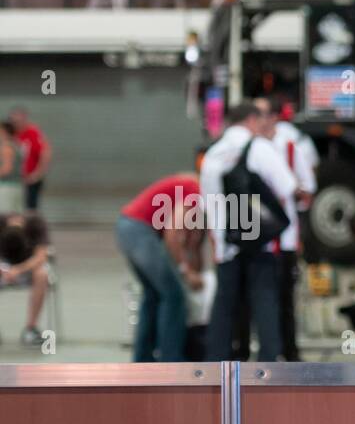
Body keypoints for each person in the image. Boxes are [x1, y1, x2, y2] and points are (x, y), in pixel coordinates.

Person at [201, 101, 298, 362]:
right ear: (252, 120)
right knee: (264, 300)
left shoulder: (212, 154)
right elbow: (288, 187)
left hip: (226, 241)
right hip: (259, 240)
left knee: (225, 306)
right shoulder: (259, 148)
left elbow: (205, 203)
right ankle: (268, 363)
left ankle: (216, 364)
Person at [116, 173, 204, 362]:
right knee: (174, 295)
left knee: (153, 294)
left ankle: (142, 359)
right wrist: (185, 271)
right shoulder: (195, 189)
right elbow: (172, 233)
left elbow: (191, 241)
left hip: (127, 227)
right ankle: (171, 358)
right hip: (139, 231)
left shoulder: (187, 185)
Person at [269, 98, 319, 362]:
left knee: (277, 298)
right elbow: (308, 190)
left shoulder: (288, 145)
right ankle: (286, 350)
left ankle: (280, 350)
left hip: (270, 236)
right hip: (276, 236)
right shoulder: (292, 144)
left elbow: (306, 189)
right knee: (281, 298)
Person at [0, 212, 51, 347]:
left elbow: (41, 257)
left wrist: (18, 270)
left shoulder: (37, 223)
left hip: (28, 267)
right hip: (3, 267)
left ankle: (31, 329)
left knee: (42, 274)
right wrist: (4, 270)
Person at [7, 108, 51, 211]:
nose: (16, 124)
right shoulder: (9, 135)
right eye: (13, 121)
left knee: (30, 207)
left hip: (31, 177)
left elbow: (45, 153)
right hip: (14, 179)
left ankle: (30, 225)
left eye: (18, 121)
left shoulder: (33, 132)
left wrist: (37, 174)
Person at [0, 123, 22, 213]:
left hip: (6, 187)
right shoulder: (15, 145)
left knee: (4, 217)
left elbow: (7, 168)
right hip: (16, 185)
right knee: (14, 217)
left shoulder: (6, 147)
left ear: (4, 132)